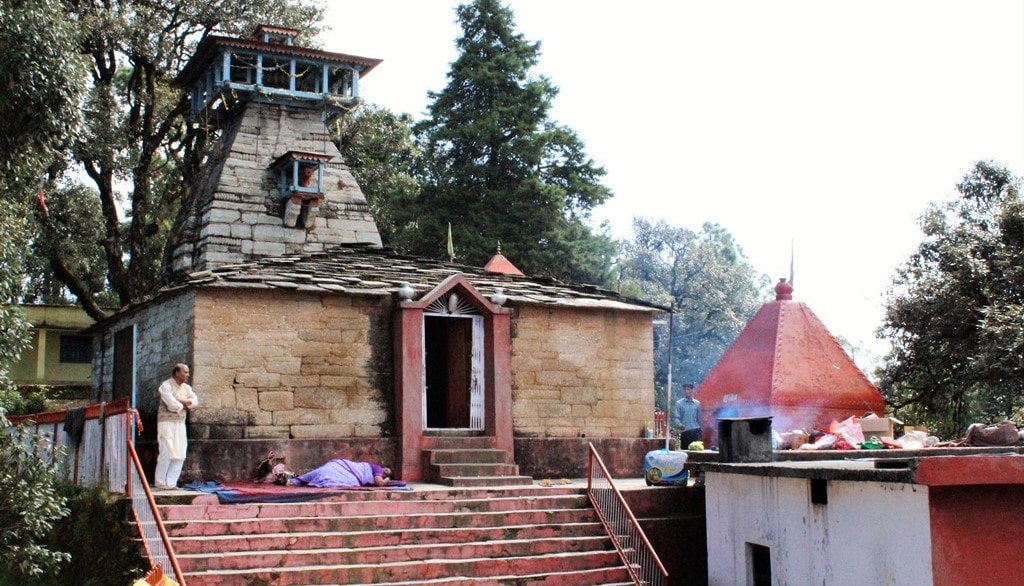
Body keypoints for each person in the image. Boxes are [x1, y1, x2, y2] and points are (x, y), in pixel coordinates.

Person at [155, 363, 197, 489]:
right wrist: (184, 404)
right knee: (166, 451)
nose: (188, 375)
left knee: (180, 452)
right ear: (177, 373)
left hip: (180, 423)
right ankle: (160, 482)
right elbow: (171, 404)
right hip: (166, 422)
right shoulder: (166, 385)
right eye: (185, 372)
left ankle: (171, 483)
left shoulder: (186, 388)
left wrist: (181, 401)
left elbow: (194, 402)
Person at [290, 458, 392, 487]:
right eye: (386, 470)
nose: (385, 473)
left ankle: (295, 480)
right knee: (322, 472)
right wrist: (387, 480)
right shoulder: (377, 468)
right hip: (343, 467)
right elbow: (379, 482)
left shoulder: (376, 473)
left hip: (348, 474)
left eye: (387, 474)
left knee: (323, 474)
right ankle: (294, 479)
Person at [672, 383, 702, 448]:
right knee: (685, 451)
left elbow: (699, 418)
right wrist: (680, 425)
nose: (686, 391)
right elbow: (676, 418)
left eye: (688, 389)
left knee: (698, 451)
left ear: (692, 390)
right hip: (685, 432)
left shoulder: (697, 404)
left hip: (696, 431)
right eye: (685, 390)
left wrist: (701, 430)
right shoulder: (679, 403)